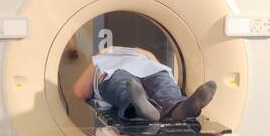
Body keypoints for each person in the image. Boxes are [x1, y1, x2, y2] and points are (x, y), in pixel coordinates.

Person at [72, 44, 216, 123]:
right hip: (145, 67)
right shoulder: (143, 53)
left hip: (116, 71)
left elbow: (80, 91)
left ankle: (141, 108)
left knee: (124, 85)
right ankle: (178, 107)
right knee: (162, 84)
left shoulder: (105, 53)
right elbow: (167, 77)